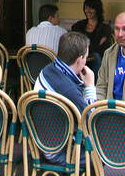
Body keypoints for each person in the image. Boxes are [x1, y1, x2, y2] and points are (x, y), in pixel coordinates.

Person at [33, 30, 95, 167]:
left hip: (41, 144)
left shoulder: (47, 70)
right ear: (79, 60)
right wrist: (90, 87)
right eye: (86, 58)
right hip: (61, 152)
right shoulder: (69, 91)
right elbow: (92, 125)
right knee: (114, 155)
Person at [72, 0, 113, 75]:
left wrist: (88, 47)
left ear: (97, 10)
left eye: (91, 8)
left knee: (96, 56)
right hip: (79, 57)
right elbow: (76, 44)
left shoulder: (105, 28)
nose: (88, 11)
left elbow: (103, 49)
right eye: (86, 8)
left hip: (97, 59)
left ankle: (97, 85)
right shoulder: (78, 26)